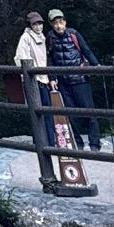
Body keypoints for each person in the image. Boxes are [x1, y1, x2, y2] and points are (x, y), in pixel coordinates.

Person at [45, 8, 102, 151]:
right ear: (51, 24)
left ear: (65, 21)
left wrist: (97, 66)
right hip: (63, 82)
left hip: (80, 79)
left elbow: (86, 50)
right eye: (55, 23)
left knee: (89, 112)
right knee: (70, 115)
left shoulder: (74, 34)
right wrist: (52, 77)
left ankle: (94, 144)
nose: (59, 25)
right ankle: (78, 143)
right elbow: (50, 58)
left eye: (61, 22)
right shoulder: (50, 38)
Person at [14, 9, 55, 150]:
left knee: (47, 112)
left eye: (40, 24)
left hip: (44, 79)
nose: (38, 26)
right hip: (34, 79)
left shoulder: (43, 37)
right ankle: (40, 142)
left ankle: (51, 142)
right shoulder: (25, 38)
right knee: (37, 113)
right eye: (35, 24)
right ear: (30, 25)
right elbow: (21, 58)